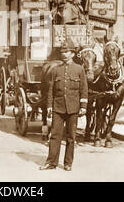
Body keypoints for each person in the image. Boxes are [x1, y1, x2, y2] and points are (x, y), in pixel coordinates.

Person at [40, 38, 88, 171]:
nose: (64, 54)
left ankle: (68, 163)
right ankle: (51, 162)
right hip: (58, 107)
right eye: (62, 51)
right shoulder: (56, 70)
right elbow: (51, 90)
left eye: (67, 52)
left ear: (72, 53)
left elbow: (83, 89)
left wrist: (83, 106)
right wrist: (49, 106)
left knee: (71, 137)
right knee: (55, 135)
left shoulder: (79, 69)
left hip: (73, 108)